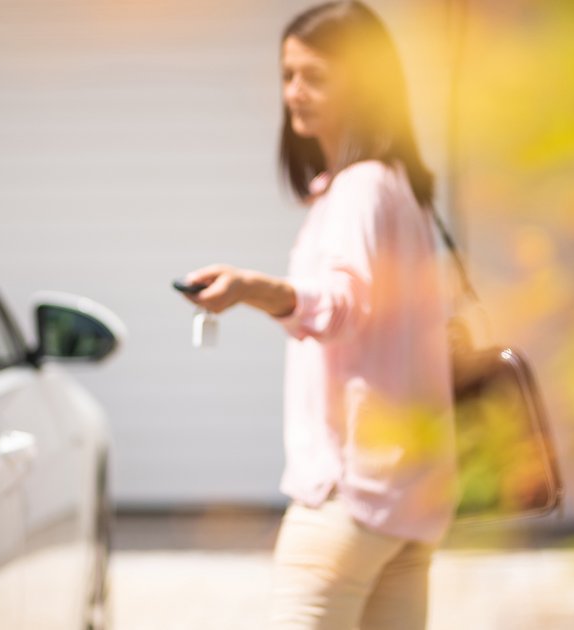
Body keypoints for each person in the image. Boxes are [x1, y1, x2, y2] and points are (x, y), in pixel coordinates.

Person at [179, 2, 456, 628]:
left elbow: (342, 306)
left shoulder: (360, 188)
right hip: (412, 501)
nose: (294, 93)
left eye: (315, 77)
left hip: (349, 496)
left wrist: (252, 288)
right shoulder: (402, 188)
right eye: (287, 75)